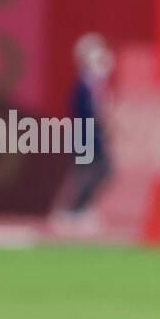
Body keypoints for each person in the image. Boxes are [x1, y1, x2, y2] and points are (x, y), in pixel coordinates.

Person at [54, 32, 114, 227]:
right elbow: (84, 112)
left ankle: (76, 209)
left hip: (92, 135)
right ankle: (73, 210)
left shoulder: (94, 85)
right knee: (87, 172)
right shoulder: (82, 86)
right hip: (85, 135)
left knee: (97, 171)